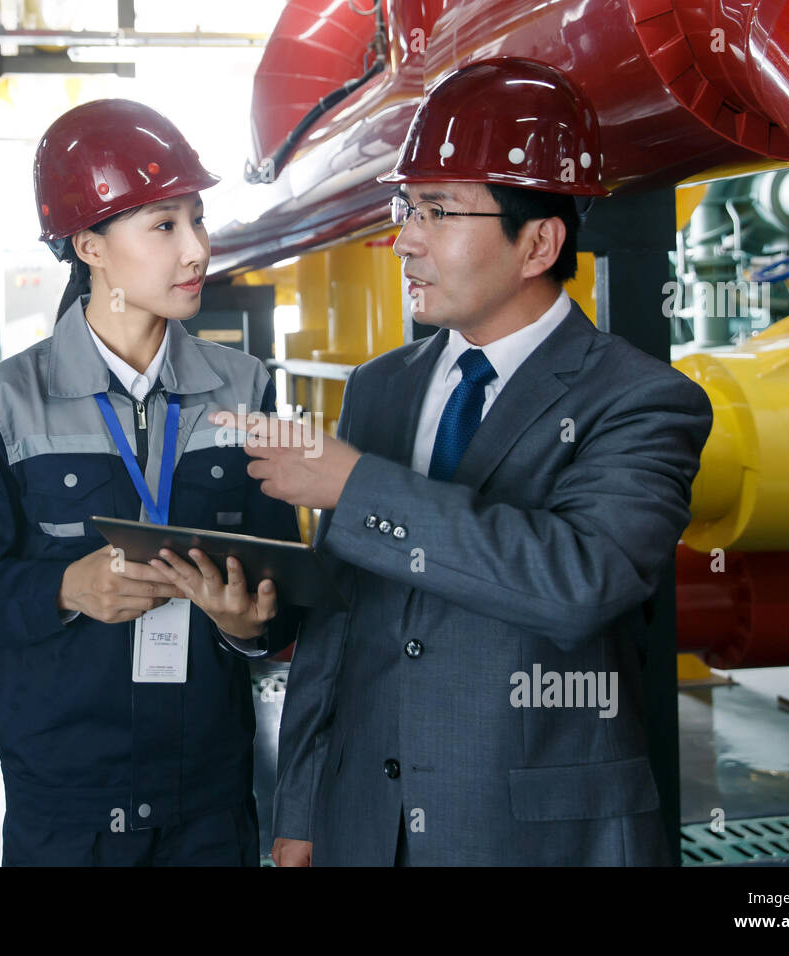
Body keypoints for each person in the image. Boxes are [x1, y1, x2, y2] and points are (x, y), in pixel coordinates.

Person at [212, 58, 714, 865]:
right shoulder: (381, 389)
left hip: (538, 836)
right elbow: (346, 619)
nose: (404, 239)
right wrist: (301, 806)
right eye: (405, 207)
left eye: (438, 211)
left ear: (539, 242)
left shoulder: (644, 400)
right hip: (369, 830)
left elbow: (581, 581)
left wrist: (351, 482)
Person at [0, 99, 304, 866]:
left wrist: (246, 624)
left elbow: (283, 593)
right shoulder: (2, 404)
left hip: (210, 796)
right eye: (164, 226)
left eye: (197, 218)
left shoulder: (247, 390)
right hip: (67, 804)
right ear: (89, 245)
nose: (197, 249)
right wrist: (66, 589)